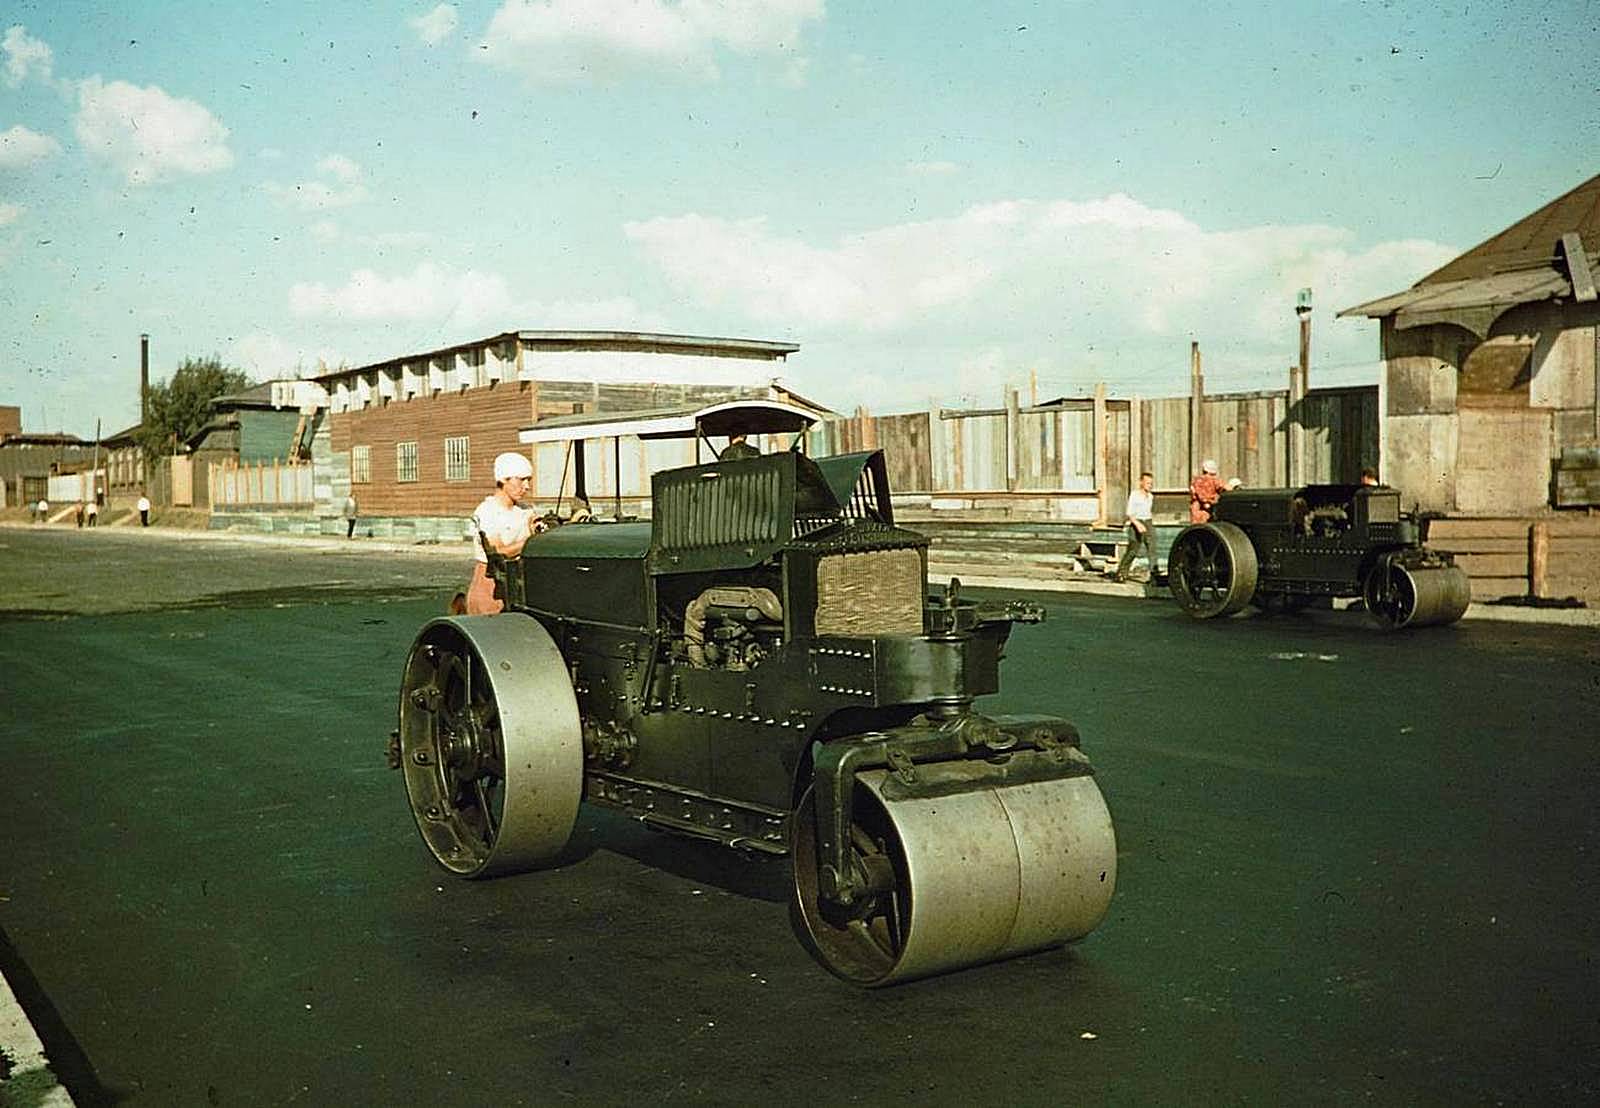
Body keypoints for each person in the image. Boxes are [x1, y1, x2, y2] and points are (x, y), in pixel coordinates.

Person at [465, 452, 537, 615]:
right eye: (521, 480)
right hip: (492, 586)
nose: (526, 486)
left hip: (521, 585)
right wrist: (533, 541)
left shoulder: (526, 510)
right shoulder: (487, 512)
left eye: (529, 480)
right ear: (504, 479)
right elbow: (498, 552)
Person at [1113, 471, 1156, 583]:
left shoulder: (1151, 497)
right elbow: (1130, 513)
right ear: (1141, 483)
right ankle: (1121, 573)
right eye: (1147, 483)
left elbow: (1148, 512)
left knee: (1152, 548)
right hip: (1136, 522)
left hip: (1148, 522)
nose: (1149, 486)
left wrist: (1148, 524)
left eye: (1151, 483)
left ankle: (1154, 575)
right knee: (1133, 550)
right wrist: (1137, 524)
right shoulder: (1135, 495)